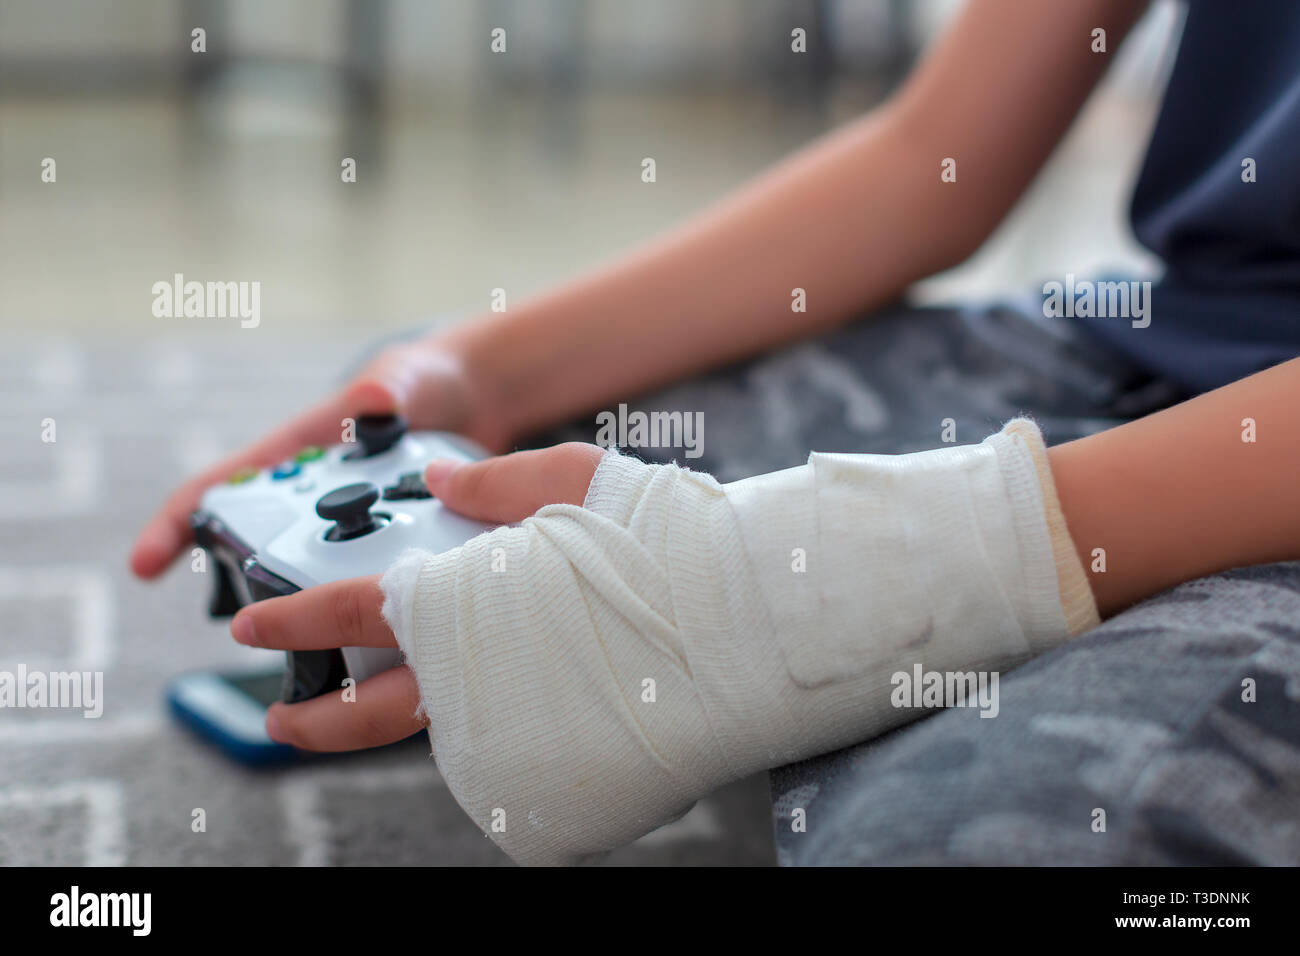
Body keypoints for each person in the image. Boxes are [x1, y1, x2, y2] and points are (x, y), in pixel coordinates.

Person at [130, 0, 1300, 865]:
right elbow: (927, 160)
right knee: (456, 461)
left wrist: (820, 579)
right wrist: (475, 371)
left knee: (976, 837)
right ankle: (756, 686)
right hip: (1156, 344)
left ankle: (779, 693)